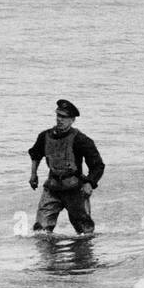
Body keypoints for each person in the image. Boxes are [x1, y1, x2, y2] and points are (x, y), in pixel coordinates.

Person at [28, 99, 105, 234]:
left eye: (64, 117)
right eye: (58, 115)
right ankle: (48, 253)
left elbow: (98, 165)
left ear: (72, 120)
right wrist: (33, 174)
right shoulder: (45, 136)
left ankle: (84, 253)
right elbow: (35, 154)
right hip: (52, 188)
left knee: (84, 231)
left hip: (75, 189)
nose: (60, 120)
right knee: (41, 229)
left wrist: (89, 183)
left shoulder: (81, 139)